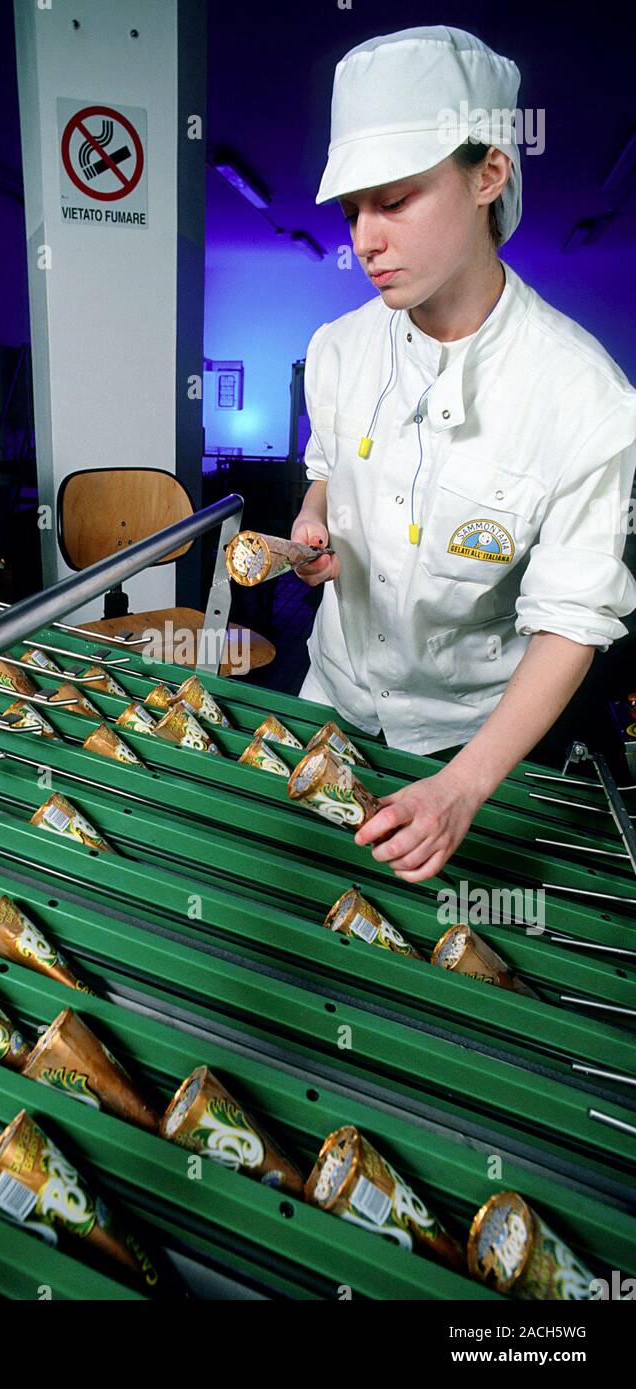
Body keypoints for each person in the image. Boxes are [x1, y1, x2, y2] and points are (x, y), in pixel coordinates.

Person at [291, 25, 636, 883]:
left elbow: (571, 622)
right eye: (350, 211)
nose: (362, 240)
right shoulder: (336, 349)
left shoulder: (583, 397)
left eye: (395, 200)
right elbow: (325, 468)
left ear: (489, 174)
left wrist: (464, 786)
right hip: (330, 703)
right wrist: (310, 524)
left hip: (474, 747)